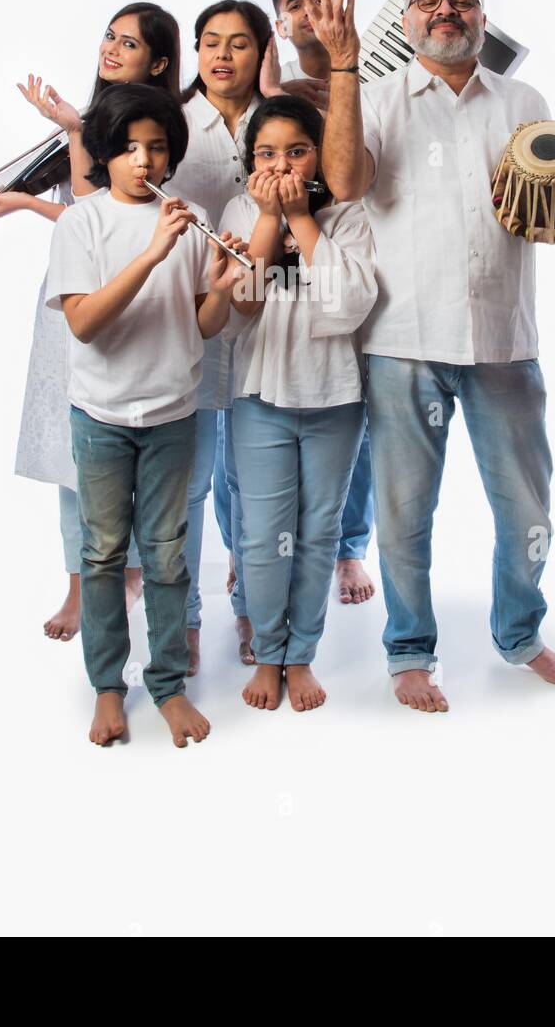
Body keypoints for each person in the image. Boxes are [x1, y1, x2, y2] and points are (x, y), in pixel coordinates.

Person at [312, 0, 555, 713]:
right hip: (402, 340)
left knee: (527, 512)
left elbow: (537, 208)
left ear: (481, 16)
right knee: (405, 516)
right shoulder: (374, 98)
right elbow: (344, 181)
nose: (446, 10)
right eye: (428, 0)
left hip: (503, 340)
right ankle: (409, 652)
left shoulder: (522, 102)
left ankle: (518, 634)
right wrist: (344, 68)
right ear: (408, 18)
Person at [45, 83, 247, 746]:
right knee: (103, 554)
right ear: (106, 152)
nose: (143, 160)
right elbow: (84, 324)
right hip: (100, 416)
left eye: (156, 148)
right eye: (129, 147)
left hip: (172, 414)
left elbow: (204, 325)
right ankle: (108, 687)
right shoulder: (83, 221)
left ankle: (166, 685)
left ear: (170, 158)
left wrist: (219, 287)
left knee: (165, 557)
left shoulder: (188, 223)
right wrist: (153, 251)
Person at [16, 2, 181, 642]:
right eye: (108, 36)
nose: (111, 48)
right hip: (73, 297)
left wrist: (33, 194)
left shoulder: (147, 132)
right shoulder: (88, 121)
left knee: (132, 437)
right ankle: (82, 582)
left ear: (158, 62)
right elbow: (20, 184)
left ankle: (133, 571)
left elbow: (96, 215)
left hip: (129, 295)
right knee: (71, 447)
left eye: (129, 43)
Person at [221, 96, 377, 711]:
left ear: (320, 154)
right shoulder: (239, 209)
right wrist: (268, 220)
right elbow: (244, 305)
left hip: (335, 396)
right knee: (260, 536)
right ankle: (266, 645)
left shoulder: (349, 217)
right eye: (266, 153)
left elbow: (345, 307)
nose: (281, 165)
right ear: (248, 159)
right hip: (260, 394)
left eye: (296, 151)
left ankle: (302, 653)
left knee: (317, 530)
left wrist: (303, 223)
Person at [164, 0, 287, 668]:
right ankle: (181, 618)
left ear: (262, 51)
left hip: (265, 324)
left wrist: (276, 99)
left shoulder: (282, 120)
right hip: (186, 319)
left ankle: (252, 611)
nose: (220, 55)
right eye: (209, 41)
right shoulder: (174, 125)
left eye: (238, 43)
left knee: (250, 479)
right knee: (185, 482)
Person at [269, 0, 377, 605]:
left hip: (356, 255)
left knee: (350, 415)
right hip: (275, 267)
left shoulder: (376, 72)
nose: (309, 9)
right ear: (278, 19)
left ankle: (347, 547)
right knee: (251, 417)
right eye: (293, 3)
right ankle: (254, 552)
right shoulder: (268, 80)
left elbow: (350, 180)